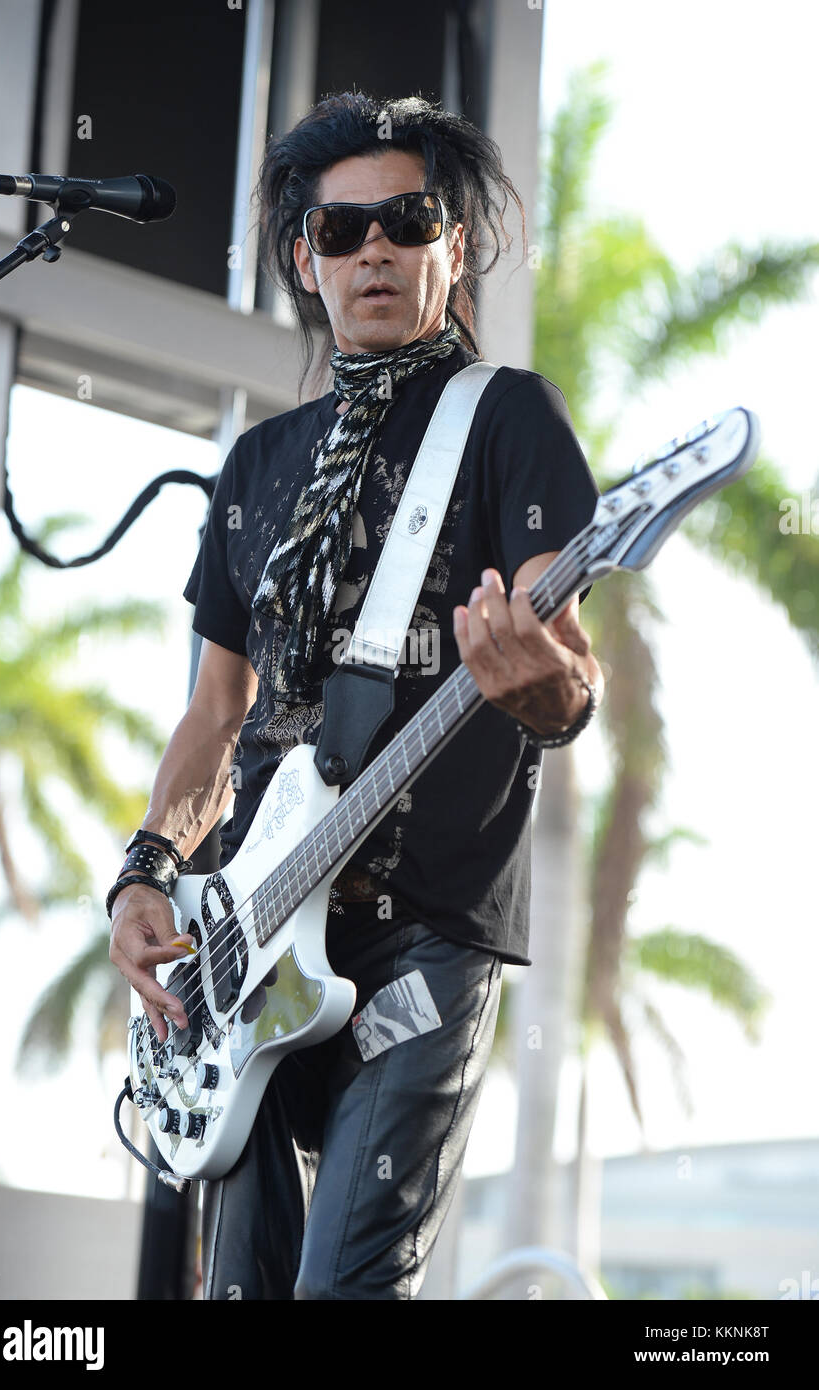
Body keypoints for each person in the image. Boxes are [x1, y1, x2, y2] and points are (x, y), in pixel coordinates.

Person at [108, 92, 604, 1301]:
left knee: (348, 1287)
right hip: (248, 935)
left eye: (406, 220)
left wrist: (549, 692)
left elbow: (565, 664)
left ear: (451, 245)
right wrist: (143, 868)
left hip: (422, 923)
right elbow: (214, 715)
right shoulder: (257, 465)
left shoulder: (505, 420)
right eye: (341, 232)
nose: (372, 249)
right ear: (303, 258)